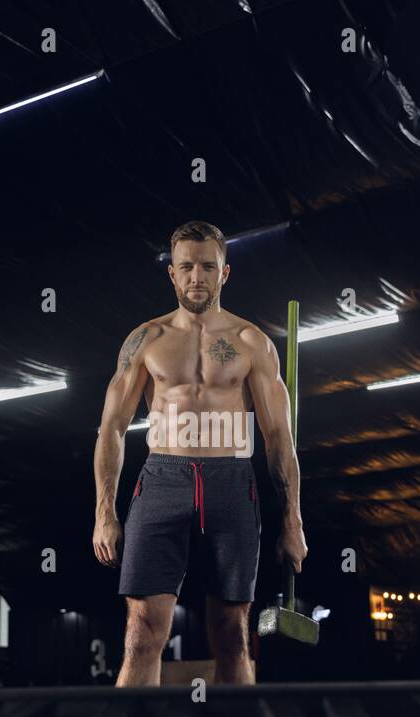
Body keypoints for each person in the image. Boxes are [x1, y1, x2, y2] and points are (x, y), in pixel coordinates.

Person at [93, 221, 307, 686]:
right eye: (186, 266)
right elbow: (111, 427)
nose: (196, 276)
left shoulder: (253, 343)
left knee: (232, 633)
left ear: (224, 273)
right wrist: (104, 511)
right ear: (172, 274)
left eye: (208, 266)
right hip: (161, 480)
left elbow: (278, 439)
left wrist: (293, 520)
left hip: (231, 483)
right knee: (142, 634)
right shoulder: (146, 340)